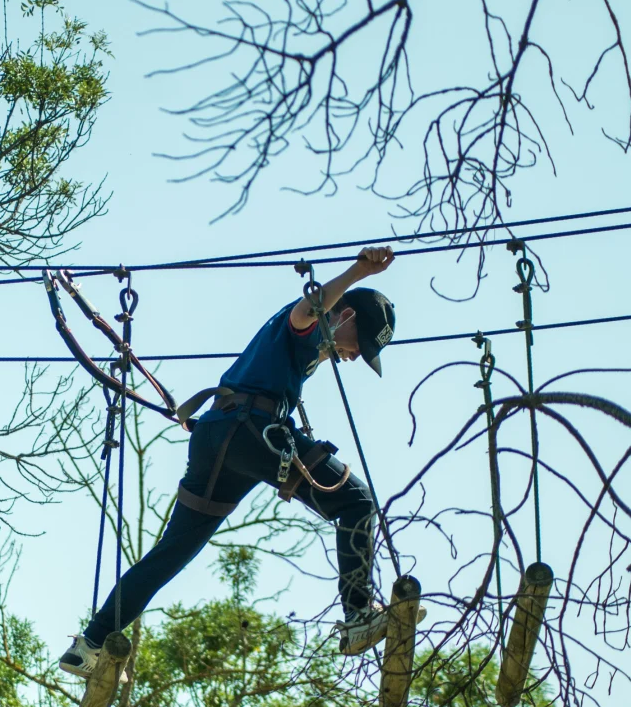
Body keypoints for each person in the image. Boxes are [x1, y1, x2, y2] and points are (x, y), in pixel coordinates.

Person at [60, 246, 399, 678]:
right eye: (358, 345)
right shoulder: (306, 326)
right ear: (345, 316)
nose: (353, 356)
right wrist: (358, 271)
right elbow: (309, 308)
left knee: (172, 553)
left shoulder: (299, 351)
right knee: (356, 501)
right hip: (251, 431)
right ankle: (358, 615)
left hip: (218, 437)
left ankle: (89, 645)